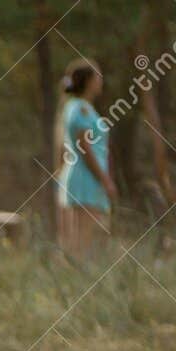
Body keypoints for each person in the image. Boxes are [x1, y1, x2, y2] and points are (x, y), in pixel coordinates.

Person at [57, 58, 115, 258]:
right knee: (82, 237)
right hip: (85, 177)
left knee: (88, 236)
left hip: (86, 176)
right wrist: (104, 179)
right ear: (89, 80)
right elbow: (85, 148)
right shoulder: (79, 108)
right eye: (98, 76)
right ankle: (75, 278)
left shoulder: (80, 107)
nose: (101, 80)